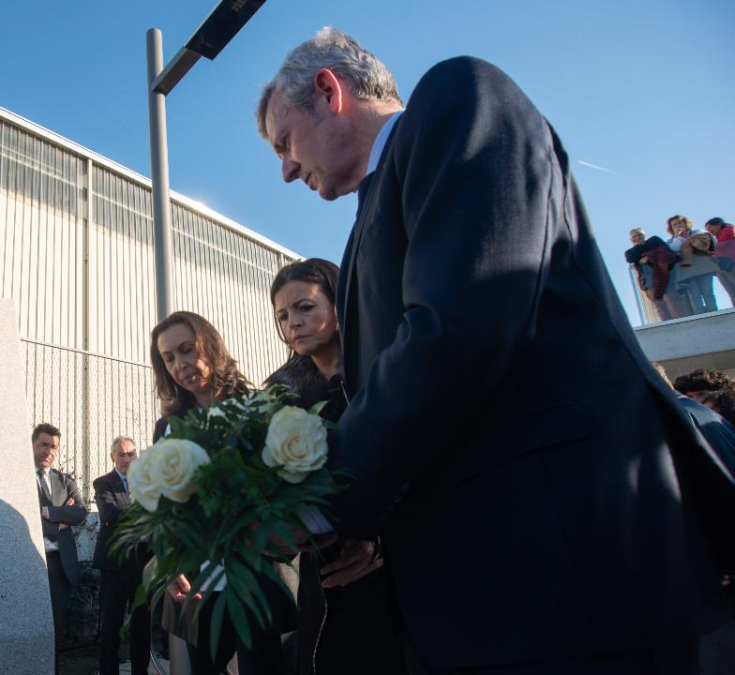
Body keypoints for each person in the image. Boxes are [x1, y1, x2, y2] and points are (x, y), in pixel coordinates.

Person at [257, 27, 731, 673]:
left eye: (284, 142)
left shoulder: (460, 98)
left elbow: (462, 322)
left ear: (328, 89)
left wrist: (322, 503)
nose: (285, 169)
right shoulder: (371, 219)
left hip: (575, 578)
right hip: (482, 599)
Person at [266, 258, 406, 675]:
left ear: (340, 301)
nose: (293, 322)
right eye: (283, 315)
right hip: (324, 577)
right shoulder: (277, 392)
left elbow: (418, 463)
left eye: (305, 308)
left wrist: (376, 539)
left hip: (398, 570)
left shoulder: (387, 366)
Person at [150, 310, 294, 674]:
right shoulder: (167, 427)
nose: (180, 364)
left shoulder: (259, 409)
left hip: (258, 577)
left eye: (186, 349)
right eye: (169, 358)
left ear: (210, 346)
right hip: (199, 587)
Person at [94, 436, 153, 675]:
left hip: (144, 563)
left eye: (131, 454)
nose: (127, 459)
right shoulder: (103, 483)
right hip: (115, 565)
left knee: (142, 625)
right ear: (112, 457)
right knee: (112, 625)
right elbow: (111, 515)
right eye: (121, 454)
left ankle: (141, 671)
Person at [32, 422, 85, 664]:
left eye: (54, 447)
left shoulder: (64, 481)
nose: (49, 451)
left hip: (59, 566)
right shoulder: (17, 480)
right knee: (30, 629)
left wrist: (45, 512)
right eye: (44, 444)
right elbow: (24, 517)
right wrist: (60, 518)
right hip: (30, 563)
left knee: (56, 629)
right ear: (32, 444)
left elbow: (80, 513)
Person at [667, 215, 724, 314]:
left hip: (704, 268)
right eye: (674, 225)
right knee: (695, 296)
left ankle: (714, 314)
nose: (678, 225)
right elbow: (673, 250)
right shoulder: (671, 241)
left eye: (680, 222)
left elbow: (709, 243)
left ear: (685, 223)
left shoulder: (698, 232)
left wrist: (691, 241)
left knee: (708, 293)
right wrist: (677, 237)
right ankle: (701, 317)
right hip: (687, 271)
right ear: (671, 228)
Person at [624, 227, 683, 320]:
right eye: (634, 236)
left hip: (664, 276)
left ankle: (680, 323)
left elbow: (666, 251)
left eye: (639, 235)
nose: (637, 237)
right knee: (659, 306)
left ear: (644, 235)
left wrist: (649, 256)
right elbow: (631, 258)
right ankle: (667, 326)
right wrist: (638, 246)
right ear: (631, 239)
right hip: (648, 280)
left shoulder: (654, 240)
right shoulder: (630, 252)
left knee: (671, 301)